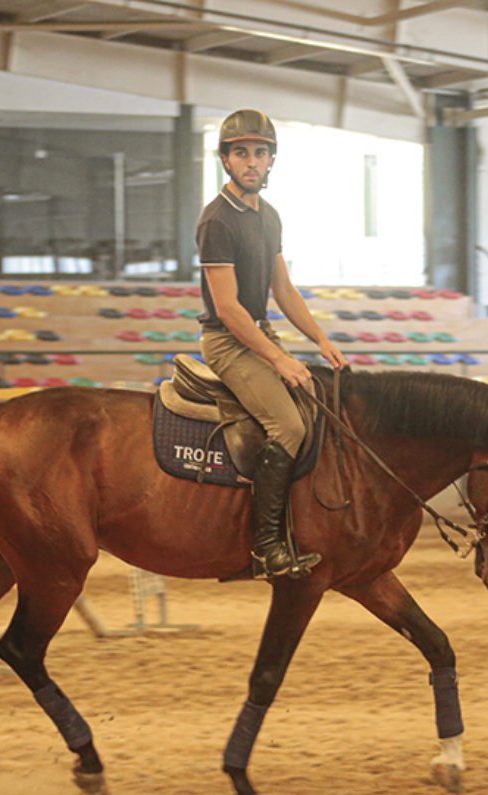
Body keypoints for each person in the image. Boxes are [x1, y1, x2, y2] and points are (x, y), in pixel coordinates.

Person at [196, 109, 348, 579]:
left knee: (318, 409)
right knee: (288, 427)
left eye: (260, 153)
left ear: (271, 160)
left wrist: (320, 338)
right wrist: (280, 358)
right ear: (225, 160)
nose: (252, 162)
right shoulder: (217, 220)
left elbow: (283, 289)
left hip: (260, 333)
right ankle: (265, 548)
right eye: (241, 153)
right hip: (228, 341)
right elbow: (229, 309)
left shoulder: (269, 216)